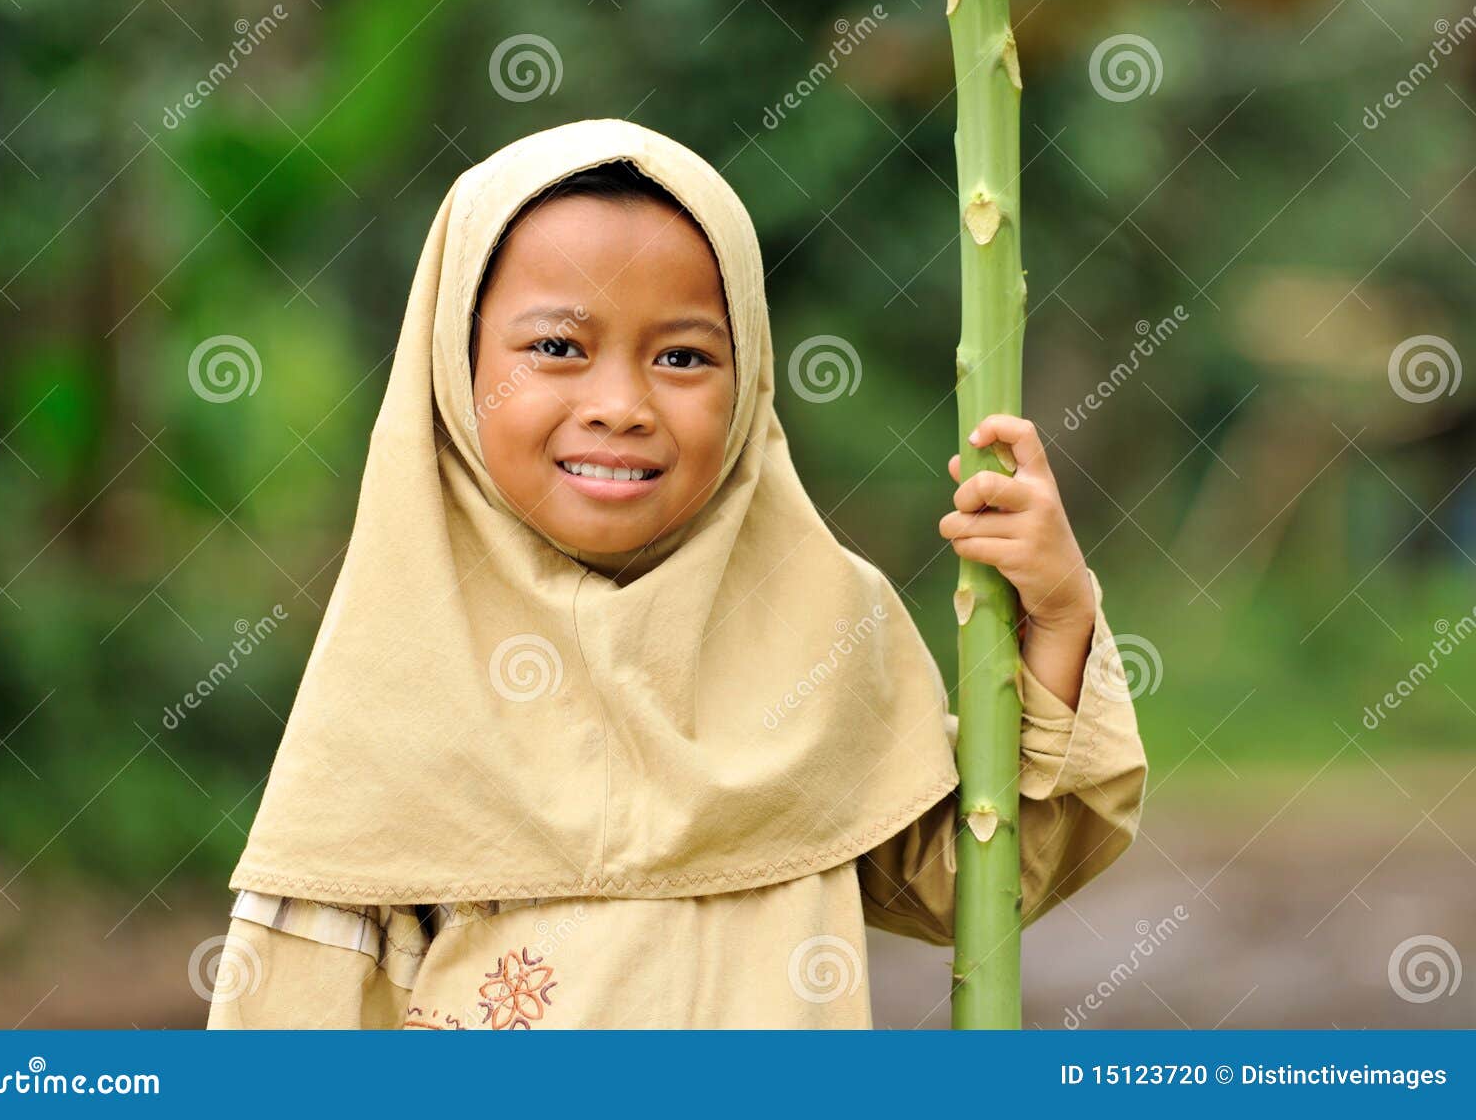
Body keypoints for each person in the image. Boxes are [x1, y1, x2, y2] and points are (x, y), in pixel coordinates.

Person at [203, 118, 1147, 1030]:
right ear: (455, 362)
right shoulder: (390, 687)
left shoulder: (821, 633)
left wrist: (1057, 617)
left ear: (750, 383)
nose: (620, 405)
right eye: (557, 348)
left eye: (684, 356)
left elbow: (983, 878)